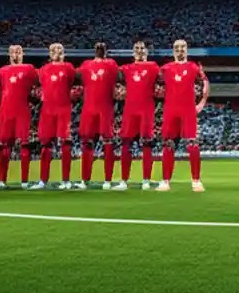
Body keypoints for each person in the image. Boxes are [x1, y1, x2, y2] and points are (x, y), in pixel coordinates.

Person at [159, 39, 209, 192]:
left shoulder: (194, 67)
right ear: (173, 50)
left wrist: (202, 102)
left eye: (183, 47)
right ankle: (166, 181)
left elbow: (205, 82)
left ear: (187, 50)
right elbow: (154, 85)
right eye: (177, 47)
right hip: (170, 110)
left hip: (188, 110)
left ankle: (196, 180)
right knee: (168, 144)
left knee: (192, 144)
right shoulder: (165, 68)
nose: (180, 49)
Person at [116, 40, 161, 191]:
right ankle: (123, 181)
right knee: (126, 144)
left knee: (147, 143)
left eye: (142, 48)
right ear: (132, 51)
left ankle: (146, 180)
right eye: (137, 48)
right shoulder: (126, 68)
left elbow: (164, 80)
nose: (140, 50)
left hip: (146, 109)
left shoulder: (153, 67)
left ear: (147, 51)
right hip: (130, 110)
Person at [33, 43, 78, 190]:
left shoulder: (69, 68)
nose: (56, 52)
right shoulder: (43, 70)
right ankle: (43, 180)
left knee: (65, 143)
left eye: (59, 49)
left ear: (64, 53)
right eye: (53, 50)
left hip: (63, 109)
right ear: (49, 53)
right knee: (45, 144)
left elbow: (71, 82)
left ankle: (66, 181)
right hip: (47, 110)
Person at [0, 45, 39, 187]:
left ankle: (25, 181)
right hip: (5, 112)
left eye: (18, 52)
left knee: (24, 145)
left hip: (22, 111)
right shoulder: (1, 72)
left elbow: (39, 83)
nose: (16, 54)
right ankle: (1, 180)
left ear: (23, 54)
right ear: (9, 54)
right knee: (4, 147)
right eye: (13, 52)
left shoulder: (29, 69)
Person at [77, 42, 119, 188]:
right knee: (87, 142)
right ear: (94, 50)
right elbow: (75, 77)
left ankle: (107, 180)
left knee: (108, 141)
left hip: (105, 108)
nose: (100, 49)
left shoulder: (112, 64)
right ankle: (84, 180)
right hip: (89, 108)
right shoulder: (86, 64)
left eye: (103, 47)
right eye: (98, 47)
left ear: (106, 50)